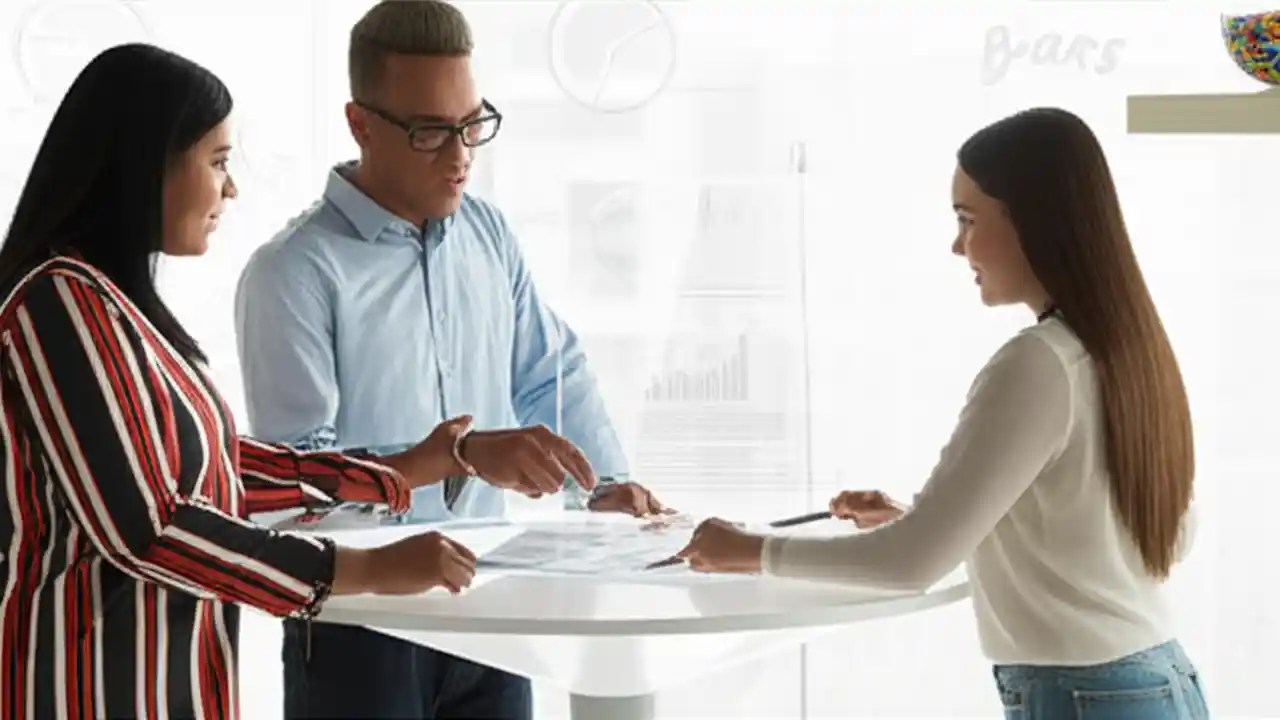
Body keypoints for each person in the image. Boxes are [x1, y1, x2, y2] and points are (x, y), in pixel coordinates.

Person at [0, 42, 594, 720]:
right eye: (218, 162)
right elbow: (149, 528)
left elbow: (221, 473)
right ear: (143, 167)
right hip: (89, 691)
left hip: (173, 686)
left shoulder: (121, 311)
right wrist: (361, 568)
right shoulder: (61, 305)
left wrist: (420, 465)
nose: (231, 188)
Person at [674, 107, 1211, 719]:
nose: (957, 246)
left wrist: (747, 548)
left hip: (1086, 697)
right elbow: (1160, 534)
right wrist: (934, 519)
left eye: (968, 219)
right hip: (1160, 682)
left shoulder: (1038, 363)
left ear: (1034, 221)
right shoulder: (1129, 350)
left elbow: (911, 565)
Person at [233, 2, 671, 717]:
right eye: (431, 131)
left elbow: (546, 369)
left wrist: (604, 484)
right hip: (360, 625)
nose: (461, 155)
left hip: (492, 609)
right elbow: (299, 482)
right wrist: (460, 455)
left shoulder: (487, 234)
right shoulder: (293, 273)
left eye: (472, 125)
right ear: (360, 124)